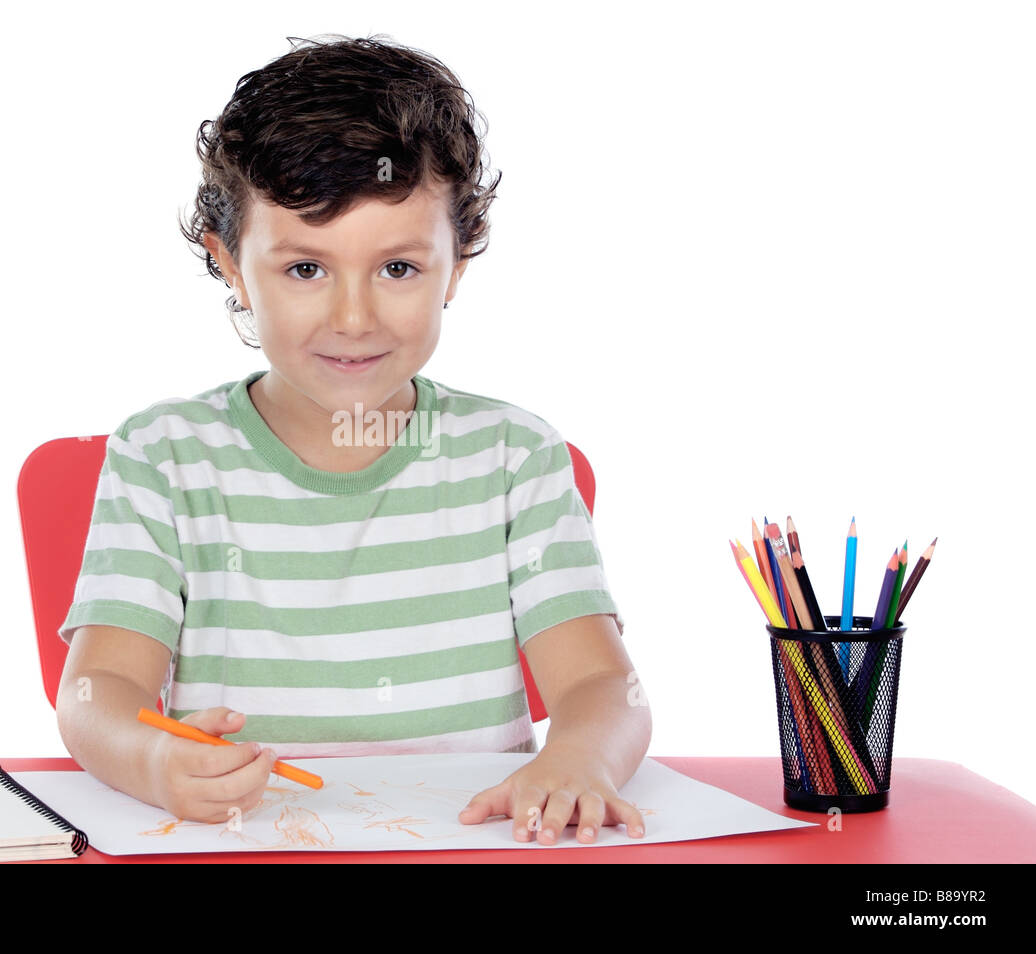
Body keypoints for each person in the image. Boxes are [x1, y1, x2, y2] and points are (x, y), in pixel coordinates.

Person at [55, 33, 651, 846]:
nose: (353, 318)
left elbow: (602, 687)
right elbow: (98, 693)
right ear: (230, 265)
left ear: (458, 262)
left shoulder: (514, 457)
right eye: (305, 269)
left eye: (398, 269)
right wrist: (153, 760)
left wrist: (580, 758)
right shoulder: (164, 455)